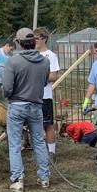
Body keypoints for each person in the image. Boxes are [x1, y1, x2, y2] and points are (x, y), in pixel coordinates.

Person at [3, 27, 51, 192]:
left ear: (19, 43)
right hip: (37, 106)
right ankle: (44, 178)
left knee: (15, 143)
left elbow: (7, 88)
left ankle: (18, 180)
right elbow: (44, 83)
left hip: (17, 105)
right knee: (39, 141)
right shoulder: (45, 61)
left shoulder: (13, 61)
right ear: (33, 42)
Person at [34, 27, 60, 161]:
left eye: (37, 39)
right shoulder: (32, 54)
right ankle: (38, 151)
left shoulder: (50, 55)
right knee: (33, 125)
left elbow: (54, 76)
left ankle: (51, 152)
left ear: (44, 39)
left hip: (45, 96)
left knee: (47, 124)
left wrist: (38, 76)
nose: (34, 41)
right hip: (31, 97)